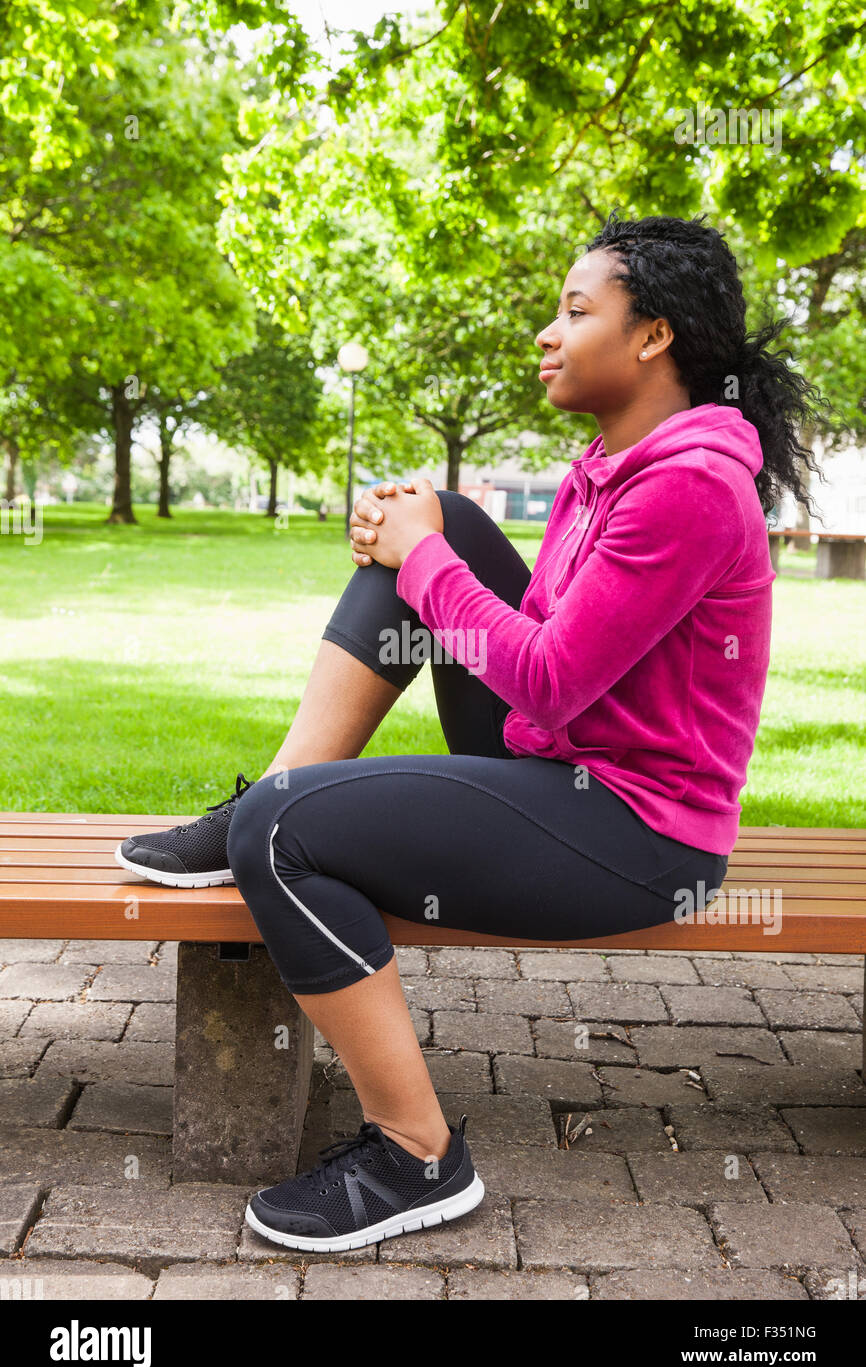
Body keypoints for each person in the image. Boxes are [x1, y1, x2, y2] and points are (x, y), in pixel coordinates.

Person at [115, 212, 828, 1254]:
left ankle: (416, 1156)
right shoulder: (609, 467)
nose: (546, 332)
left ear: (652, 338)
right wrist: (417, 543)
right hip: (564, 761)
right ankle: (257, 804)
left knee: (284, 834)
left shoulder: (684, 485)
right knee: (439, 518)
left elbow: (545, 677)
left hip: (638, 832)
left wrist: (421, 561)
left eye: (575, 311)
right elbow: (533, 645)